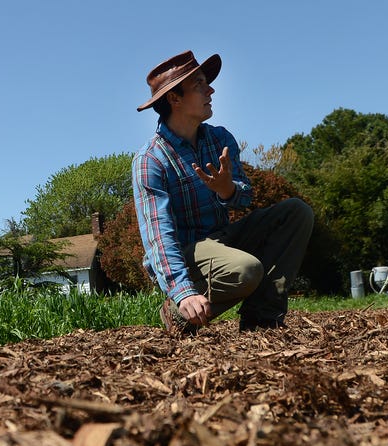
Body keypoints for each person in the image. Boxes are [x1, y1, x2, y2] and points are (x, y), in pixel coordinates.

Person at [132, 50, 313, 333]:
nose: (211, 89)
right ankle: (180, 314)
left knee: (296, 213)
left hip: (223, 240)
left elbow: (244, 197)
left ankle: (262, 318)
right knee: (246, 270)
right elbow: (159, 237)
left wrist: (227, 190)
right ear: (174, 98)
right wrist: (182, 291)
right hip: (187, 254)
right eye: (199, 85)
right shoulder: (151, 161)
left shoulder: (220, 139)